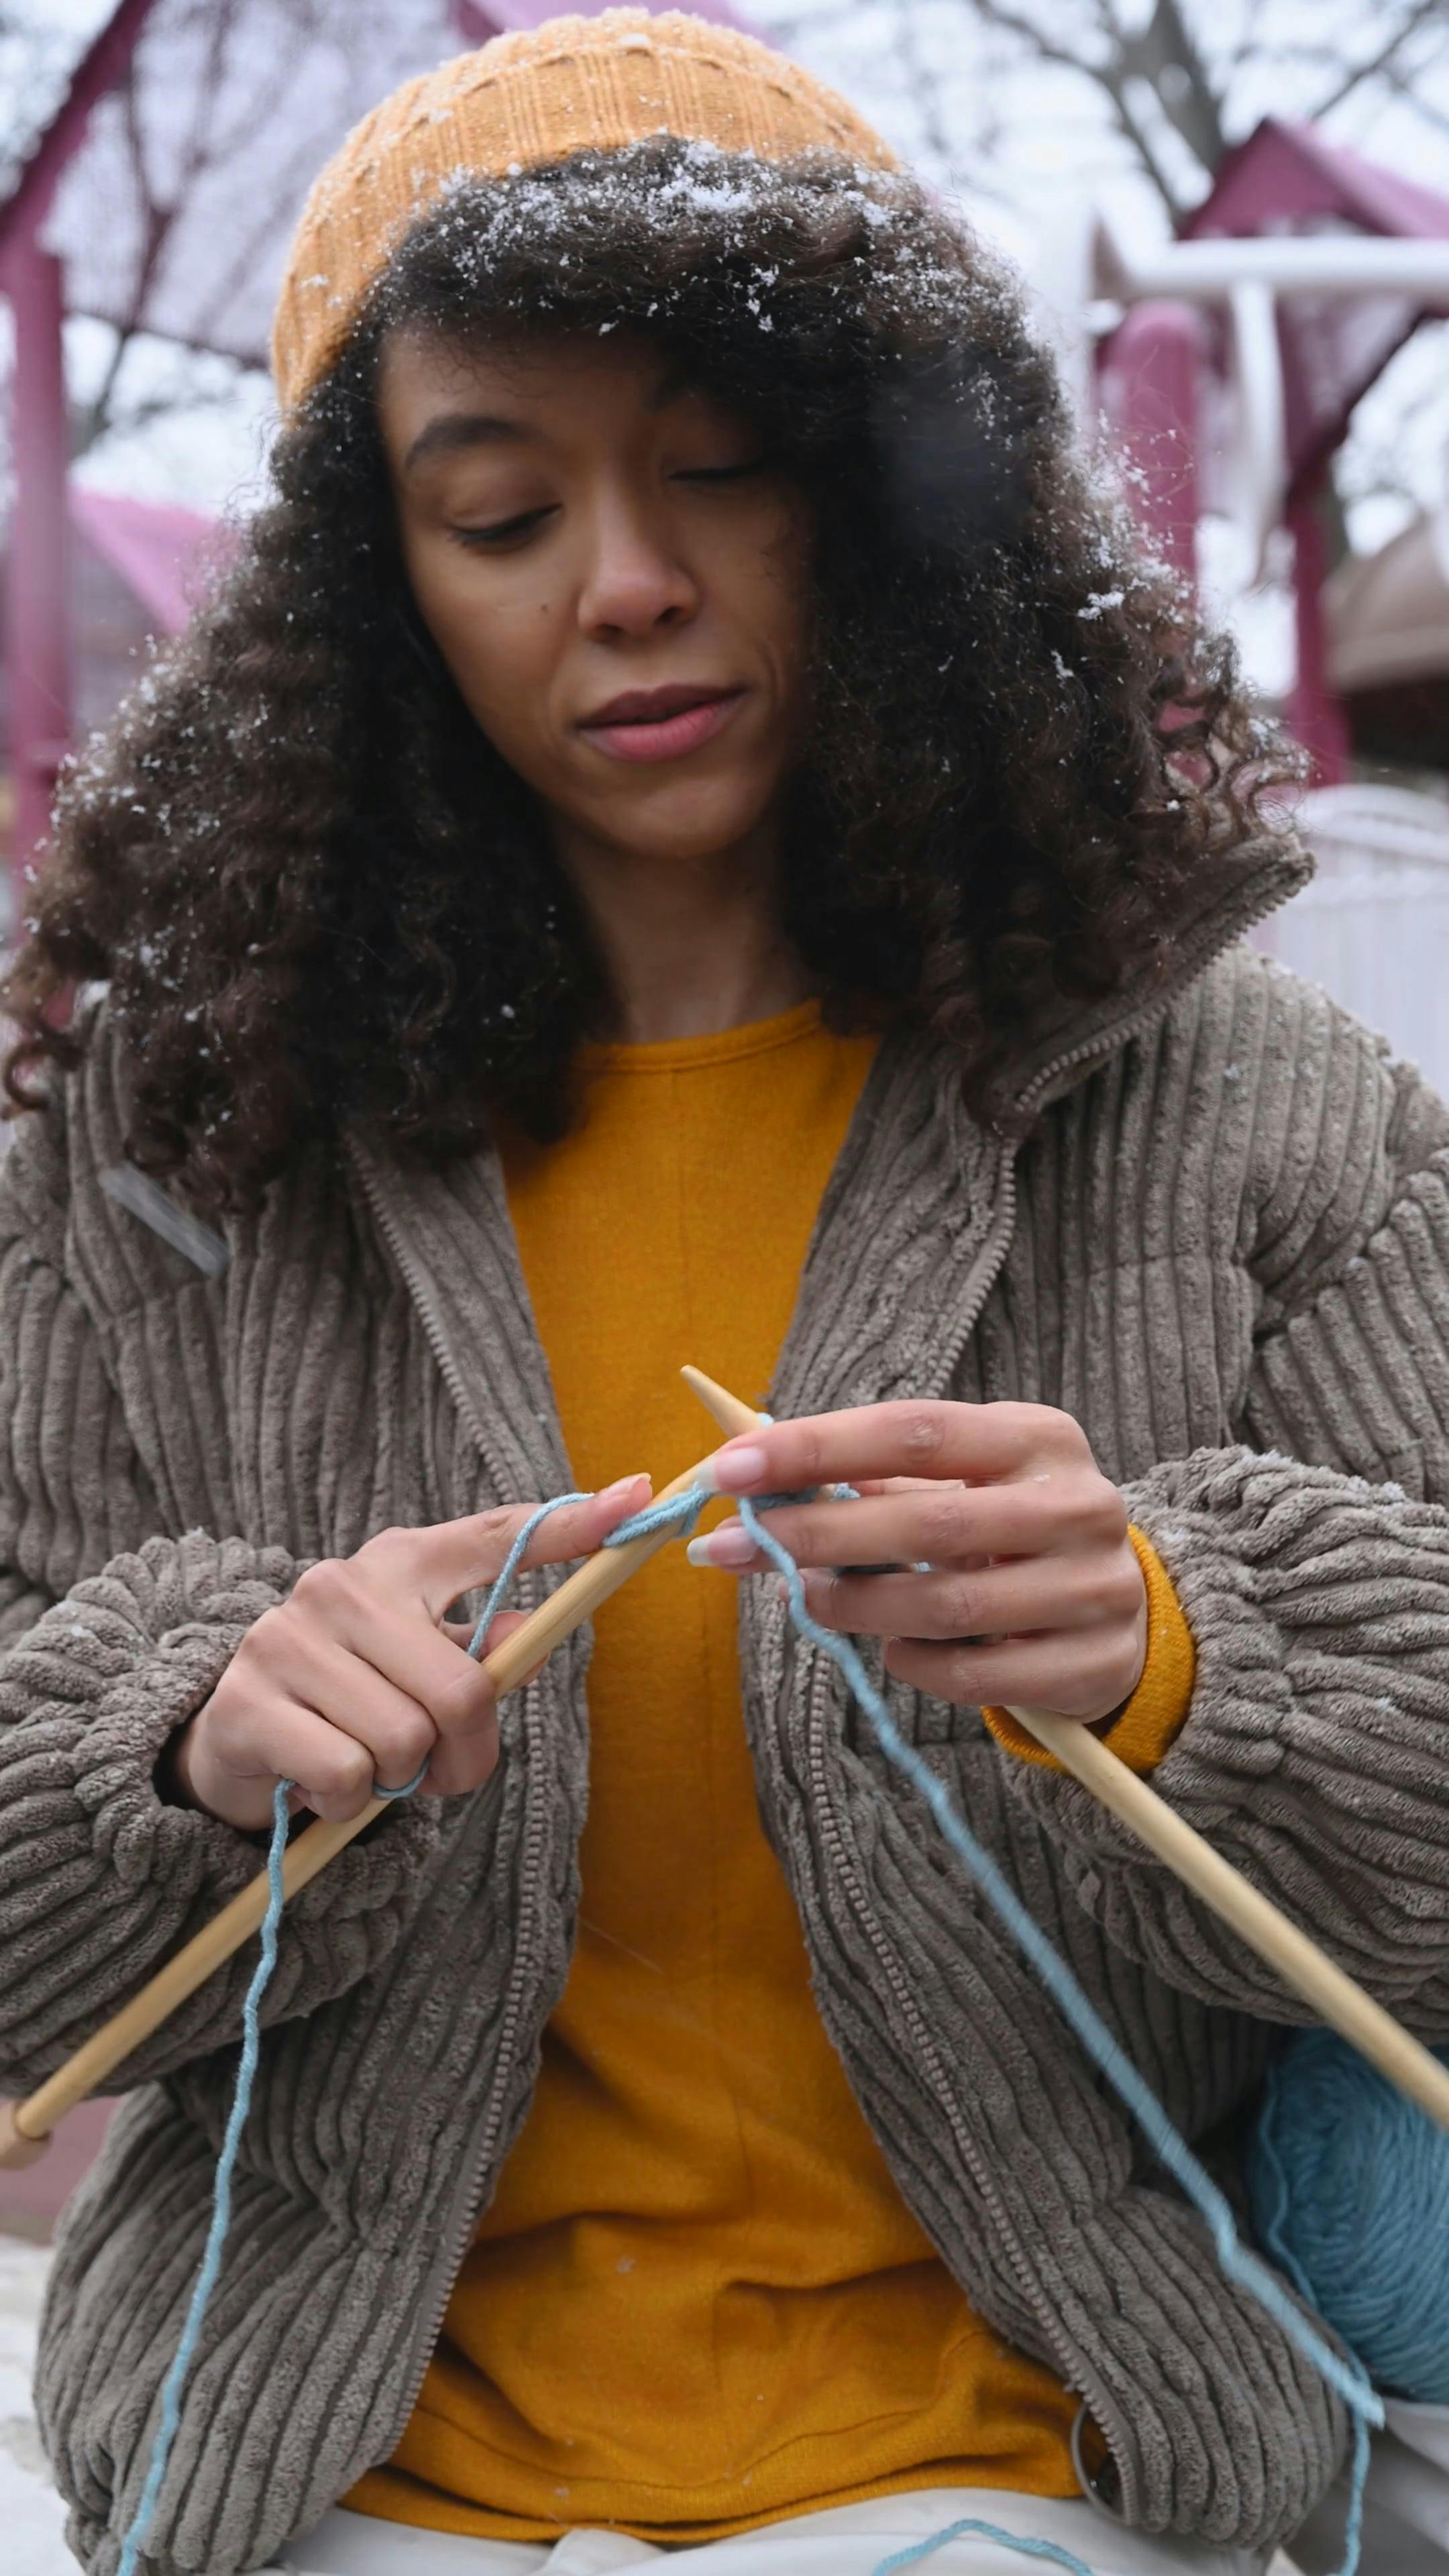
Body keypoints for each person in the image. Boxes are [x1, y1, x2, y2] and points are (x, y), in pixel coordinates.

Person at [2, 13, 1447, 2575]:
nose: (627, 582)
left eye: (725, 466)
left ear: (891, 499)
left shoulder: (1261, 1113)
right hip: (319, 2487)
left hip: (1034, 2478)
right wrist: (184, 1751)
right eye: (498, 508)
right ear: (369, 593)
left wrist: (1186, 1651)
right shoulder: (164, 1167)